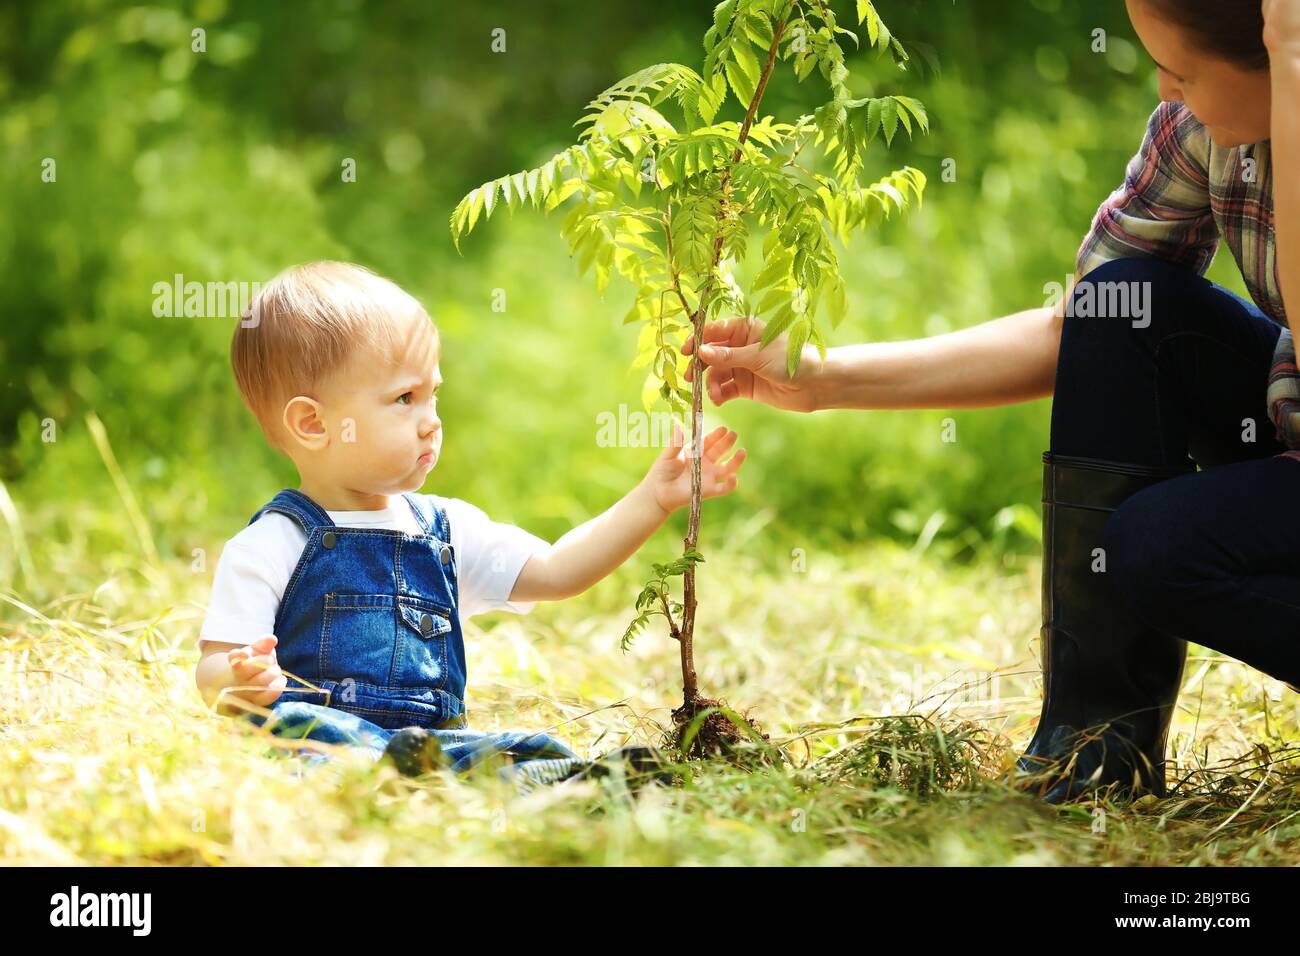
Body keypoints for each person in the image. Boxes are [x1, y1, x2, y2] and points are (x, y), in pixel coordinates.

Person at [682, 0, 1300, 803]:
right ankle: (1092, 746)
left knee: (1160, 545)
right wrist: (822, 376)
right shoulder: (1196, 130)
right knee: (1125, 301)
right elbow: (1077, 324)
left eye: (1180, 70)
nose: (1162, 88)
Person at [194, 261, 745, 790]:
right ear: (314, 423)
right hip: (324, 746)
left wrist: (651, 498)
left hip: (435, 746)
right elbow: (213, 668)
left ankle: (570, 784)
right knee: (308, 734)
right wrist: (238, 680)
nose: (432, 421)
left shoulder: (445, 531)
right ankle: (396, 773)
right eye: (404, 399)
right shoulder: (274, 543)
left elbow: (559, 571)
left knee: (519, 748)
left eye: (434, 394)